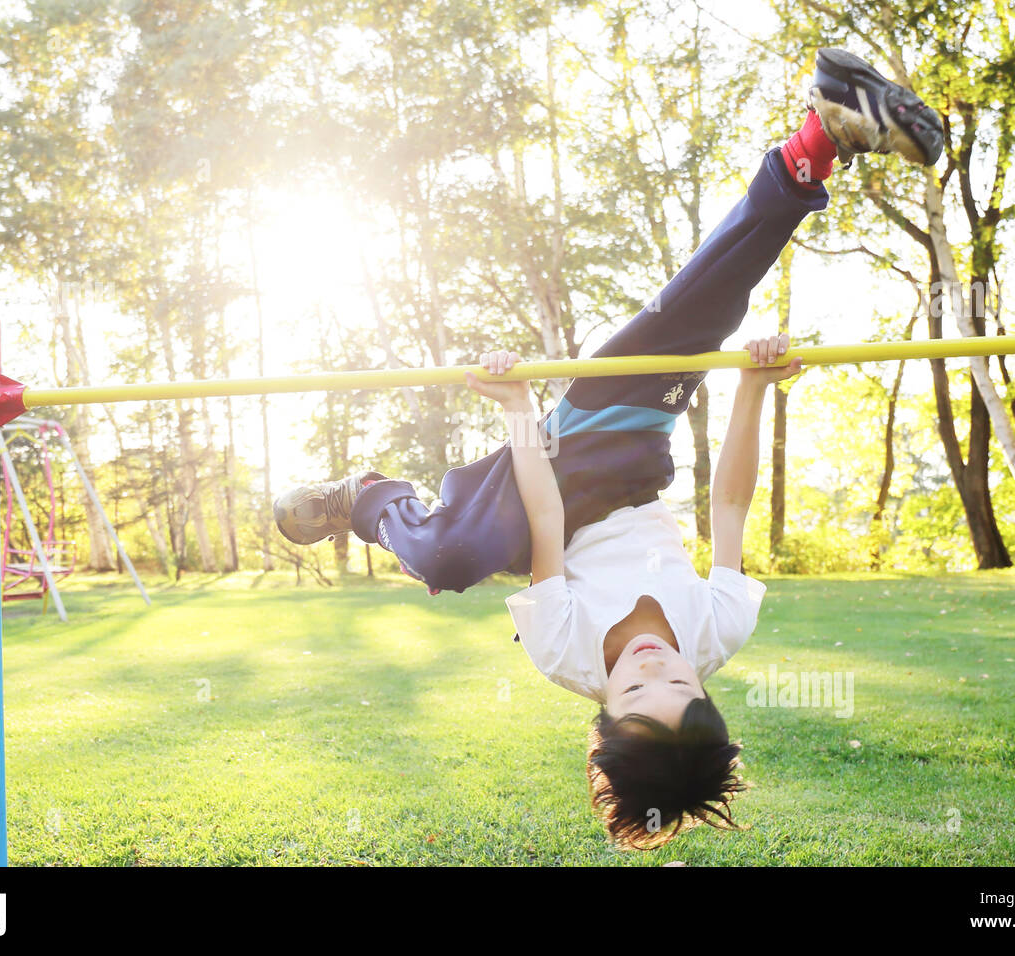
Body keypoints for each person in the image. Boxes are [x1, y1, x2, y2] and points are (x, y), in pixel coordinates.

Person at [274, 48, 943, 848]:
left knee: (452, 555)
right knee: (692, 324)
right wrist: (757, 386)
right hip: (625, 463)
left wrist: (524, 410)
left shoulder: (565, 654)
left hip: (545, 501)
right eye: (680, 681)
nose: (658, 662)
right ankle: (821, 137)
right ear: (706, 688)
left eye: (638, 683)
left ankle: (364, 500)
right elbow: (730, 502)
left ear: (604, 710)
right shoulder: (718, 630)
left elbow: (547, 520)